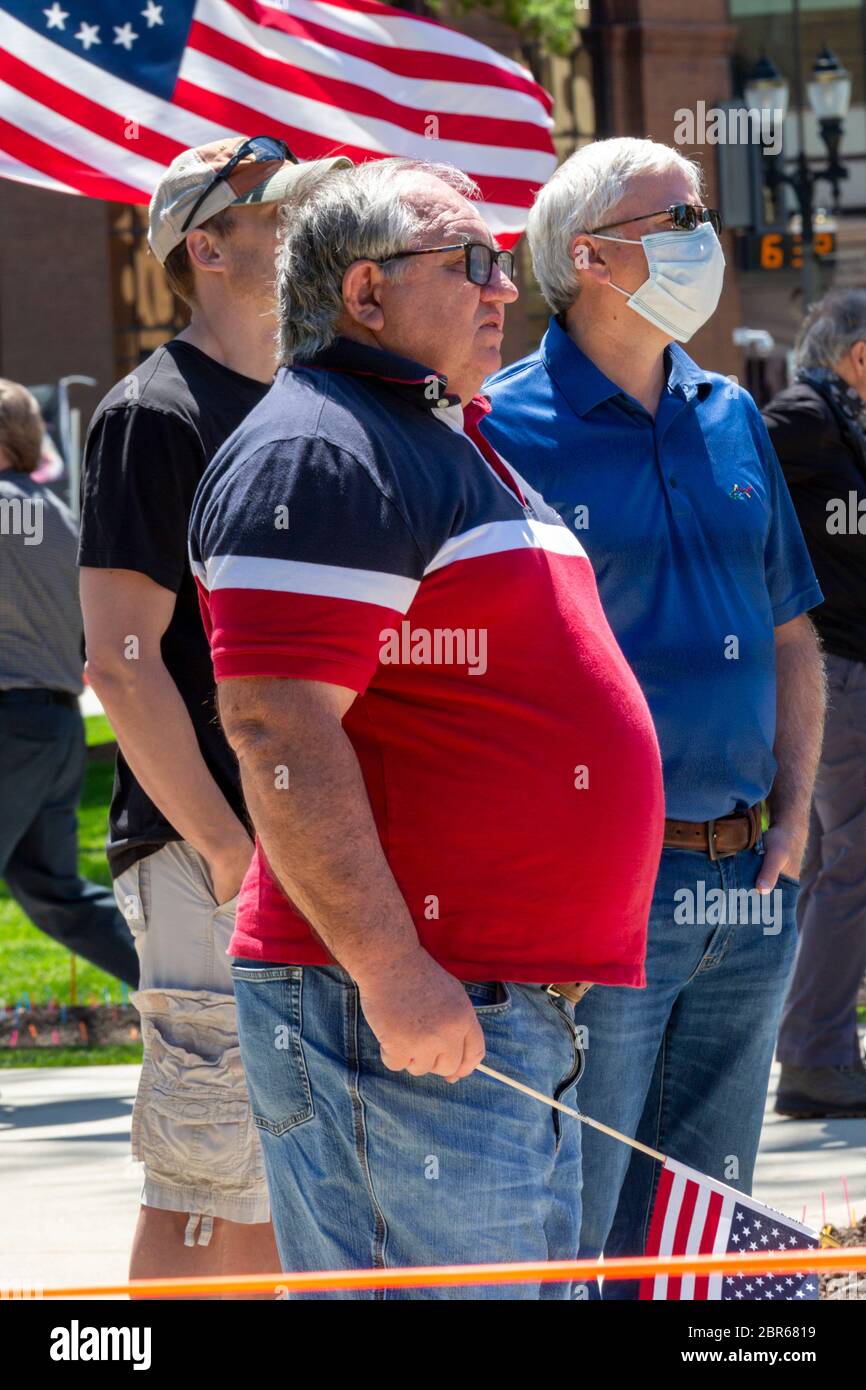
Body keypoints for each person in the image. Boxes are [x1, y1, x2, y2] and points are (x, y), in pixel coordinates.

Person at [188, 156, 665, 1300]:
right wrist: (393, 968)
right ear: (365, 295)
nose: (504, 288)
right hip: (399, 1013)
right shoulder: (320, 450)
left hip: (486, 1010)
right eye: (470, 264)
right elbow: (274, 726)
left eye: (503, 262)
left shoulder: (437, 434)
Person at [482, 137, 825, 1299]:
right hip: (601, 894)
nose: (703, 238)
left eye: (701, 214)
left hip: (750, 886)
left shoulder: (729, 413)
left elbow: (789, 634)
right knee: (577, 1222)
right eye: (672, 219)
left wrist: (790, 822)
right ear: (586, 258)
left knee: (699, 1223)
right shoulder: (495, 427)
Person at [78, 137, 350, 1289]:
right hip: (209, 852)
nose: (306, 227)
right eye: (282, 213)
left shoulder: (309, 397)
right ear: (209, 245)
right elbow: (124, 661)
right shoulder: (154, 414)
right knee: (202, 1177)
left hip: (294, 842)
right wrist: (231, 848)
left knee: (274, 1166)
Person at [764, 289, 866, 1117]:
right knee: (852, 871)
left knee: (834, 868)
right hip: (836, 673)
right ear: (859, 358)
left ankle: (810, 1050)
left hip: (839, 673)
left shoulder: (839, 424)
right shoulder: (802, 417)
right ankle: (817, 1055)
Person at [0, 379, 138, 987]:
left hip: (8, 724)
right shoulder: (54, 513)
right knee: (56, 892)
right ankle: (193, 990)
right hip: (56, 730)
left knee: (56, 892)